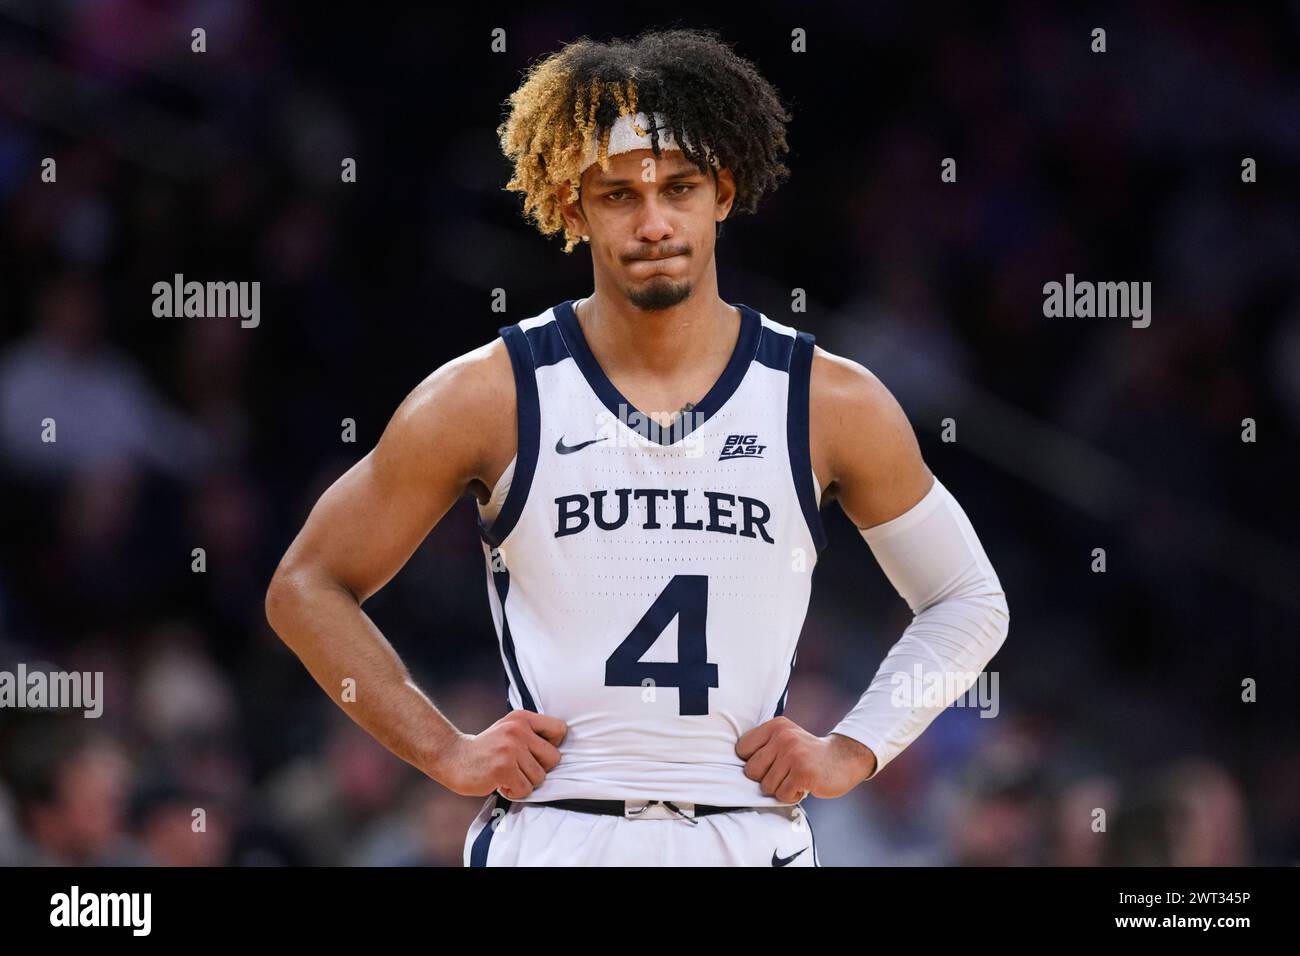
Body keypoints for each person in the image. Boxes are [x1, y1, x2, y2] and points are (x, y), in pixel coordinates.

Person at [265, 28, 1010, 866]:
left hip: (748, 830)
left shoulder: (829, 400)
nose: (653, 222)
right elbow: (306, 585)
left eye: (679, 188)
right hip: (557, 828)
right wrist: (445, 750)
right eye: (619, 194)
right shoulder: (490, 393)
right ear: (573, 207)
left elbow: (967, 599)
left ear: (723, 193)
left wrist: (855, 747)